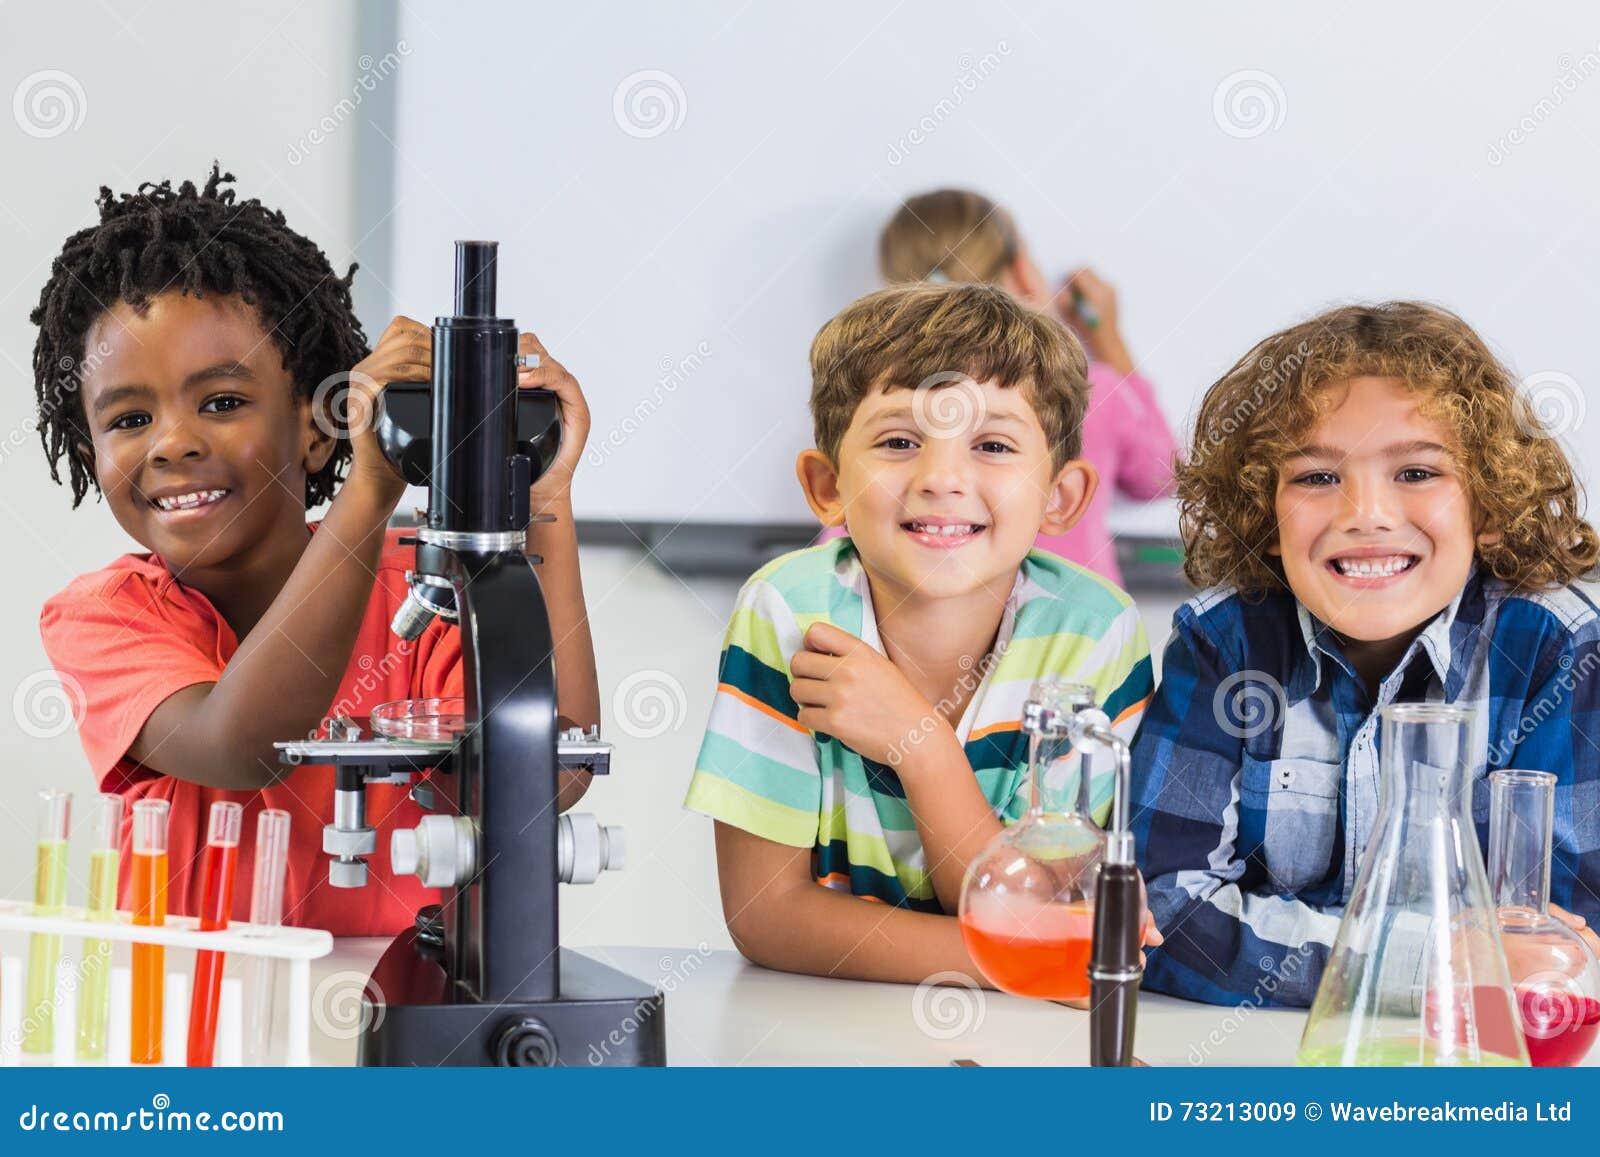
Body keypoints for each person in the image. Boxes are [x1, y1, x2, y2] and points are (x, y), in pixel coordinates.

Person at [34, 167, 597, 935]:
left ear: (317, 427)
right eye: (129, 418)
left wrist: (541, 500)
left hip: (399, 1017)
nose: (172, 443)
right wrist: (371, 485)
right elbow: (243, 747)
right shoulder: (108, 619)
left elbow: (551, 772)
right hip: (197, 1025)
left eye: (223, 402)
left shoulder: (426, 589)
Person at [685, 281, 1155, 983]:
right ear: (827, 486)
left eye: (993, 444)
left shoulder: (1094, 634)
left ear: (1061, 498)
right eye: (900, 440)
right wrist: (1031, 959)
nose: (941, 477)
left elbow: (1047, 909)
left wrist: (921, 745)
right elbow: (766, 912)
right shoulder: (789, 613)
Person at [1131, 301, 1600, 1005]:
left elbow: (1562, 947)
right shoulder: (1223, 643)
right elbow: (1157, 911)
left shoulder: (1556, 648)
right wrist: (1426, 963)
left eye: (1416, 472)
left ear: (1490, 504)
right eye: (1318, 477)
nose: (1366, 513)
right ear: (1265, 514)